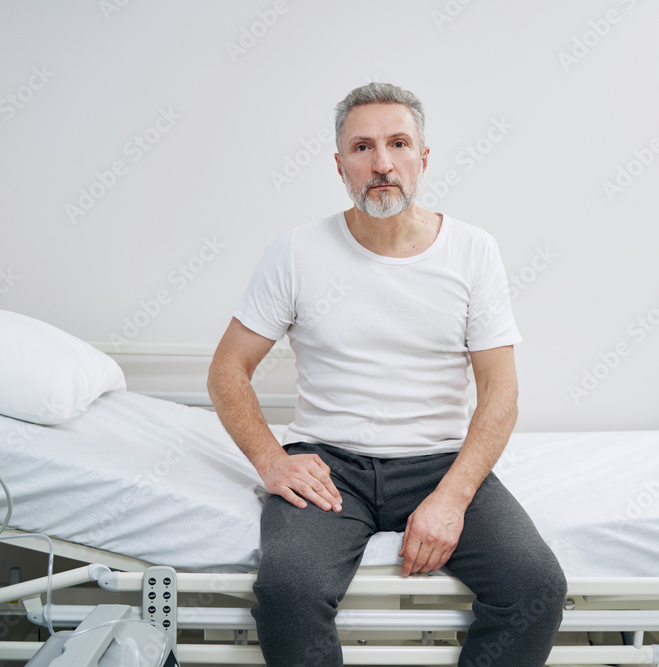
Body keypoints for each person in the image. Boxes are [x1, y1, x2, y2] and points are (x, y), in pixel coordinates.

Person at [207, 82, 566, 667]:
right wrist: (273, 461)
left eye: (399, 144)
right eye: (362, 147)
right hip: (331, 468)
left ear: (422, 158)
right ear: (339, 164)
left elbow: (501, 391)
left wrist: (452, 497)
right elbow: (227, 370)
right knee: (287, 591)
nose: (382, 164)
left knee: (536, 586)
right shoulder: (295, 252)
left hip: (440, 463)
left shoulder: (473, 251)